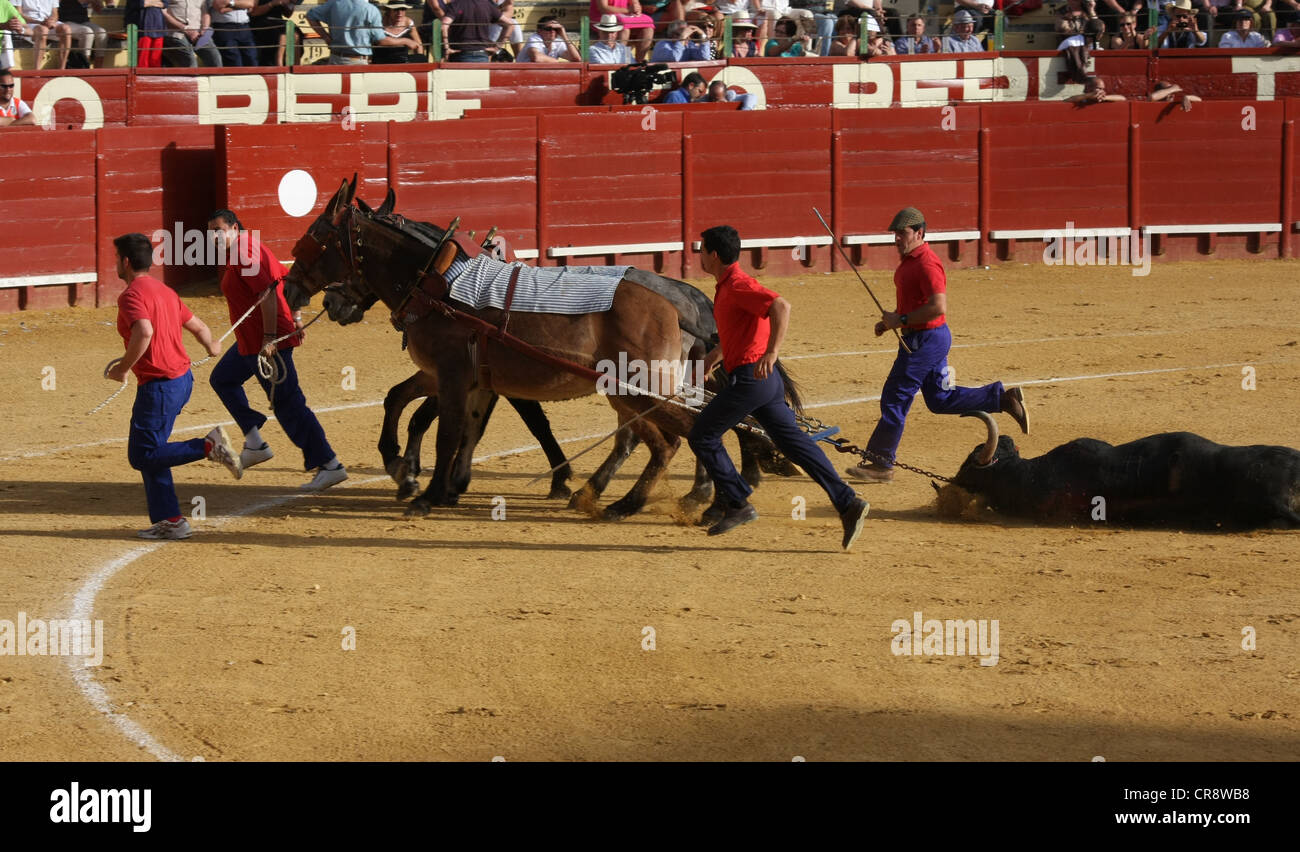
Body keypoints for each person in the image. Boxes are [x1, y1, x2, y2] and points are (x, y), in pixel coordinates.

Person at [687, 225, 870, 548]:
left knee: (703, 434)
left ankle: (738, 502)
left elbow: (781, 307)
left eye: (702, 250)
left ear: (713, 255)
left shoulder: (739, 285)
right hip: (764, 384)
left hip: (750, 380)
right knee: (795, 445)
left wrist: (773, 352)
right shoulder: (728, 287)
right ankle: (847, 501)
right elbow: (739, 333)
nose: (700, 255)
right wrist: (713, 358)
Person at [846, 207, 1028, 484]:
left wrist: (902, 319)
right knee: (940, 399)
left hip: (925, 340)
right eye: (895, 233)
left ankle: (881, 464)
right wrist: (892, 322)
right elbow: (916, 302)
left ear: (919, 233)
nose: (897, 238)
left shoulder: (926, 263)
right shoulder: (910, 261)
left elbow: (937, 306)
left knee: (895, 397)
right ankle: (1002, 399)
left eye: (902, 233)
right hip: (927, 337)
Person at [108, 232, 242, 541]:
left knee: (141, 455)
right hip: (181, 381)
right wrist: (212, 345)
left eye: (117, 258)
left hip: (160, 386)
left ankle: (208, 446)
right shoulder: (165, 291)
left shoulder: (130, 296)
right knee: (155, 451)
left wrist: (122, 368)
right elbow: (199, 327)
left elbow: (144, 331)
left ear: (126, 262)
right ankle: (171, 520)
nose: (116, 263)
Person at [206, 210, 348, 492]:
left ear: (234, 227)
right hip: (251, 342)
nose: (214, 236)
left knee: (289, 404)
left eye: (218, 230)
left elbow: (269, 293)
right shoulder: (242, 249)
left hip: (266, 343)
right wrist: (295, 316)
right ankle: (255, 443)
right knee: (223, 379)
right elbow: (285, 280)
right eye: (210, 231)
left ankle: (329, 464)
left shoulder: (246, 251)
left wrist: (271, 337)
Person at [308, 0, 416, 64]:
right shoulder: (370, 10)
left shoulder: (335, 3)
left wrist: (326, 37)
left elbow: (310, 16)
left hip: (335, 57)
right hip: (357, 60)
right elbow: (381, 41)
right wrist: (405, 41)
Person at [441, 0, 512, 61]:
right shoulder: (487, 5)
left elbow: (444, 26)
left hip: (460, 55)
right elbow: (509, 25)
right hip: (482, 55)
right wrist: (497, 47)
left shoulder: (455, 4)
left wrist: (447, 48)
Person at [161, 0, 221, 67]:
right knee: (190, 62)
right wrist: (186, 29)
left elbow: (205, 13)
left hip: (198, 33)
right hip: (175, 33)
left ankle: (217, 76)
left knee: (215, 58)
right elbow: (163, 13)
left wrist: (204, 28)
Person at [19, 0, 71, 69]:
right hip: (28, 23)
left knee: (66, 29)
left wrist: (52, 21)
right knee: (43, 30)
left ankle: (62, 69)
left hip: (47, 23)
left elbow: (55, 13)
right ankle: (36, 71)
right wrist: (38, 22)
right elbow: (18, 14)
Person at [207, 0, 257, 66]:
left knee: (251, 57)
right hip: (225, 28)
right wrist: (241, 5)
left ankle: (252, 76)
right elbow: (218, 6)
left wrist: (230, 3)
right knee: (234, 60)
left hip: (244, 27)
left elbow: (250, 4)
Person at [58, 0, 106, 68]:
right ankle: (85, 68)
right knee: (87, 32)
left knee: (102, 33)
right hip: (64, 21)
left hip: (83, 21)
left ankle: (98, 70)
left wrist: (95, 2)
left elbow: (99, 11)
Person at [248, 0, 293, 66]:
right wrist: (272, 4)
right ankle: (279, 63)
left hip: (277, 22)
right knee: (283, 32)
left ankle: (295, 65)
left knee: (294, 31)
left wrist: (289, 4)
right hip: (261, 22)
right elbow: (253, 13)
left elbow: (288, 15)